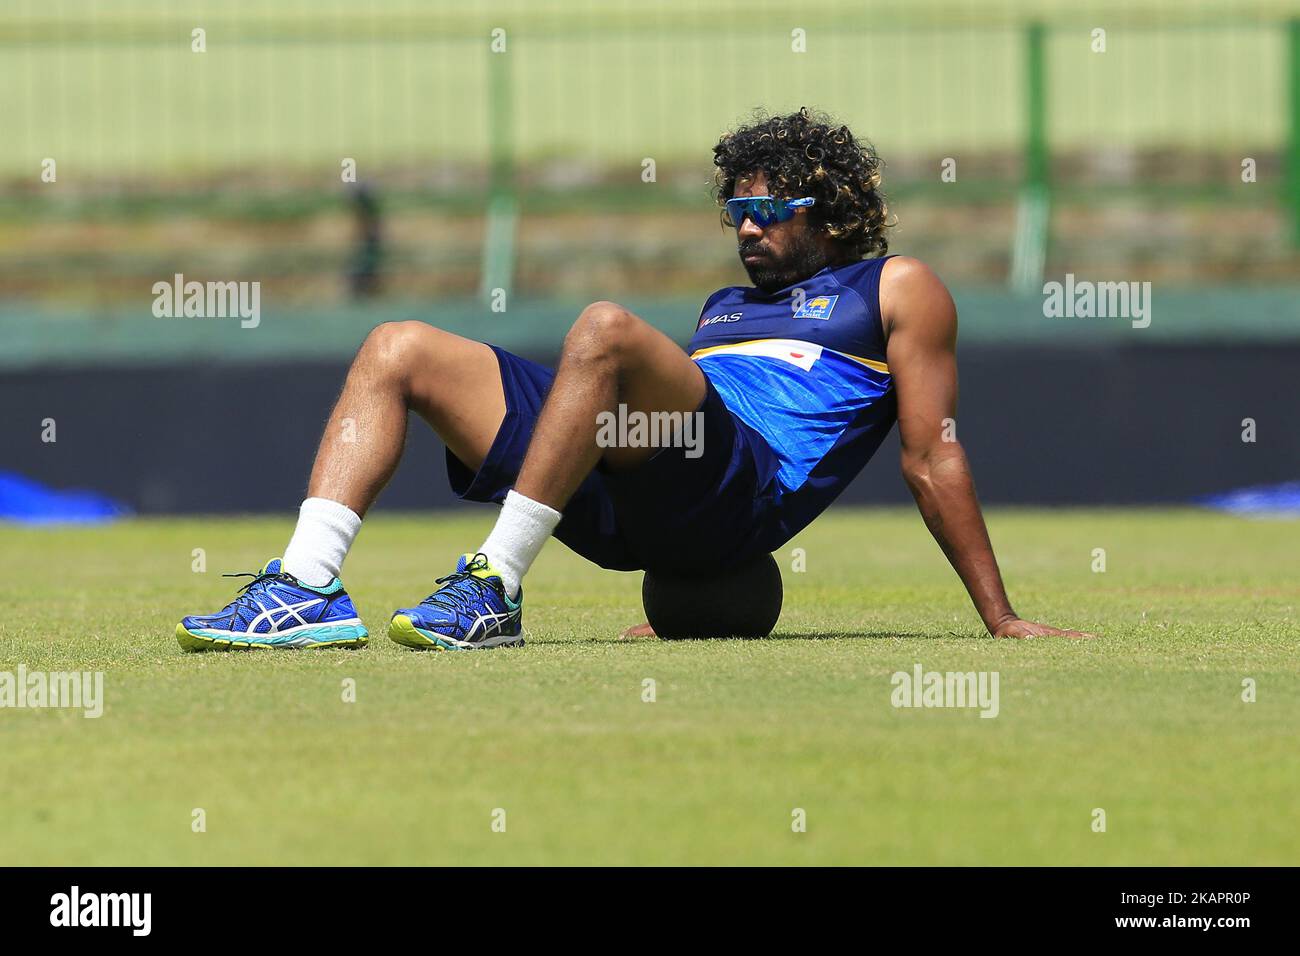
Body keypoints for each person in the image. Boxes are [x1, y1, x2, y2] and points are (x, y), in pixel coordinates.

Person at [175, 108, 1089, 652]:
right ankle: (304, 590)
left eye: (768, 208)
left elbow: (931, 456)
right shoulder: (724, 305)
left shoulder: (896, 286)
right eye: (736, 207)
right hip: (640, 494)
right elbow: (666, 436)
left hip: (745, 484)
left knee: (605, 331)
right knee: (397, 346)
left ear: (834, 210)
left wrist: (999, 620)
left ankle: (492, 588)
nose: (746, 226)